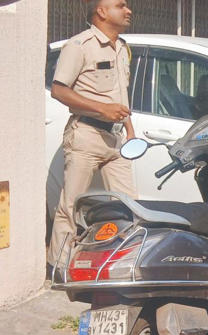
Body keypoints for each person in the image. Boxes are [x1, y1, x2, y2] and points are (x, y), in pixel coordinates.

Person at [47, 0, 136, 269]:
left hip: (116, 139)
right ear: (102, 12)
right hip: (86, 133)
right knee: (71, 206)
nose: (128, 11)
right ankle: (60, 267)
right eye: (121, 5)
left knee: (129, 204)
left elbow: (121, 95)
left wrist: (131, 131)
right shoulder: (79, 45)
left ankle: (122, 263)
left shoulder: (122, 47)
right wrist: (102, 108)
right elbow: (59, 90)